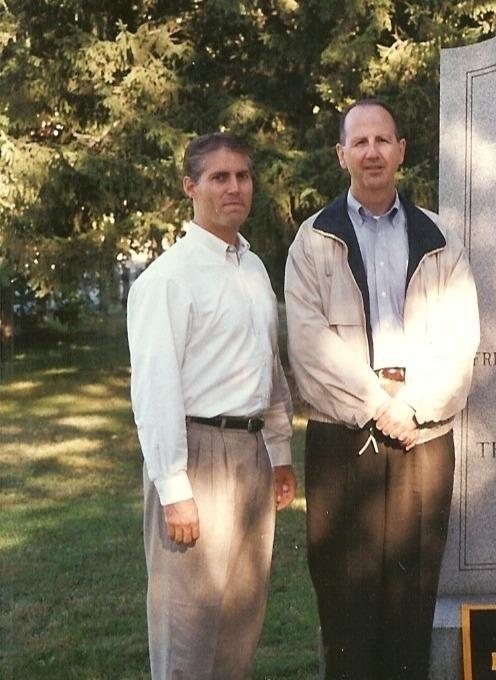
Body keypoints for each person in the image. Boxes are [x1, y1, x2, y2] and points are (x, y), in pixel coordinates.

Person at [285, 98, 480, 678]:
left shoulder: (440, 237)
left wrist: (414, 405)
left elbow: (460, 336)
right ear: (342, 154)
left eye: (383, 140)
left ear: (401, 151)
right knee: (346, 604)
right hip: (344, 439)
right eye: (360, 142)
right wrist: (378, 404)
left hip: (424, 439)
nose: (373, 152)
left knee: (411, 598)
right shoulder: (314, 239)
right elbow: (309, 342)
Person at [127, 132, 297, 678]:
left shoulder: (253, 269)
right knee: (189, 634)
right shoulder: (168, 279)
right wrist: (175, 490)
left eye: (242, 176)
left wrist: (281, 452)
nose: (233, 188)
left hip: (251, 457)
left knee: (239, 629)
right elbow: (155, 390)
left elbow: (268, 369)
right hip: (196, 458)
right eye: (219, 177)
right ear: (190, 187)